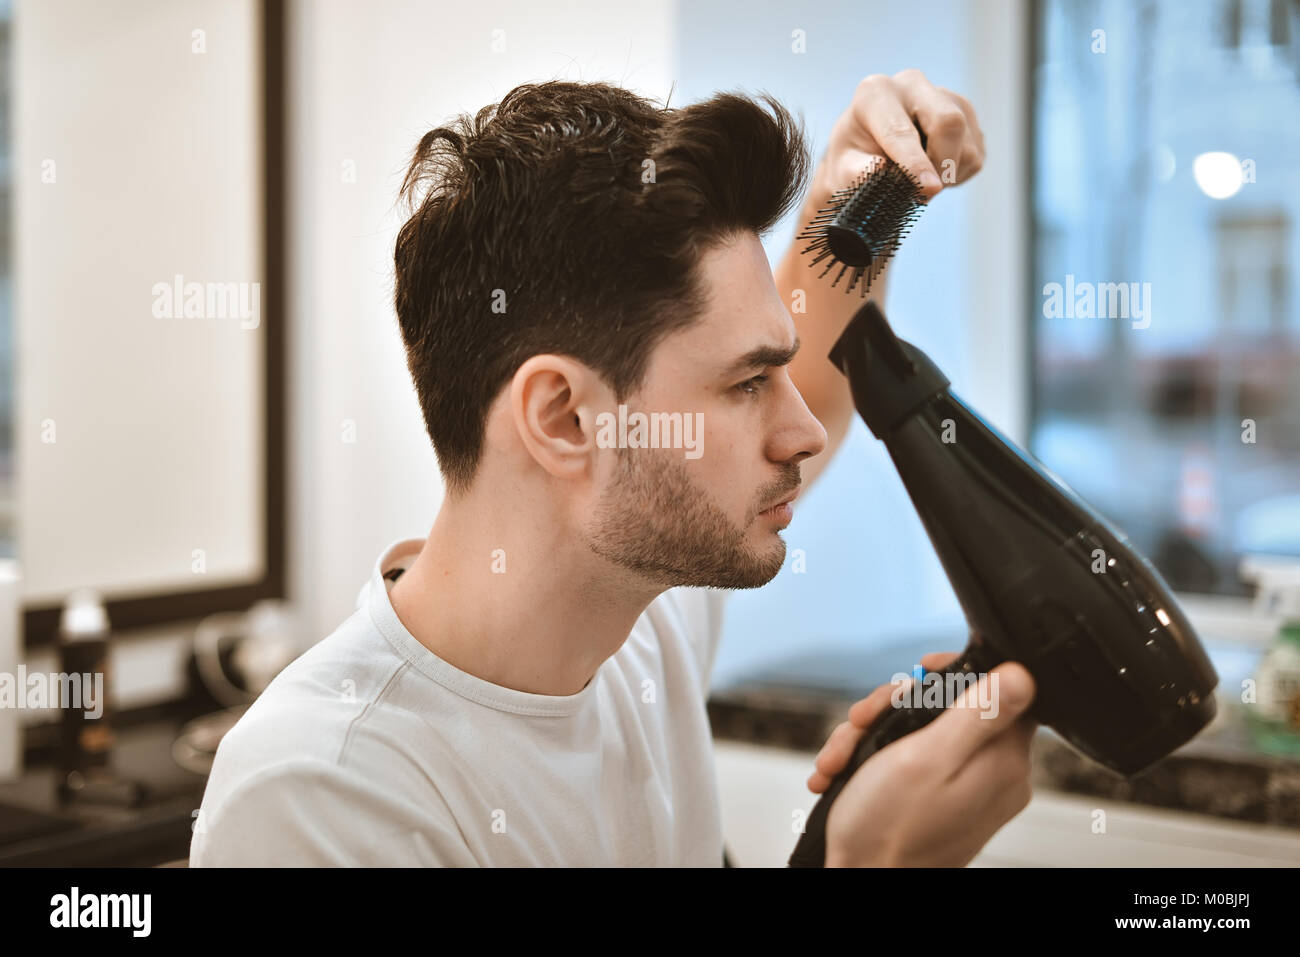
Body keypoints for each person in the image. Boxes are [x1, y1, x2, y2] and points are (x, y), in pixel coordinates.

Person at [190, 68, 1036, 867]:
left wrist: (860, 197)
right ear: (563, 418)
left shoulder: (638, 611)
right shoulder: (319, 794)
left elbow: (809, 356)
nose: (804, 430)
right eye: (746, 383)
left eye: (771, 373)